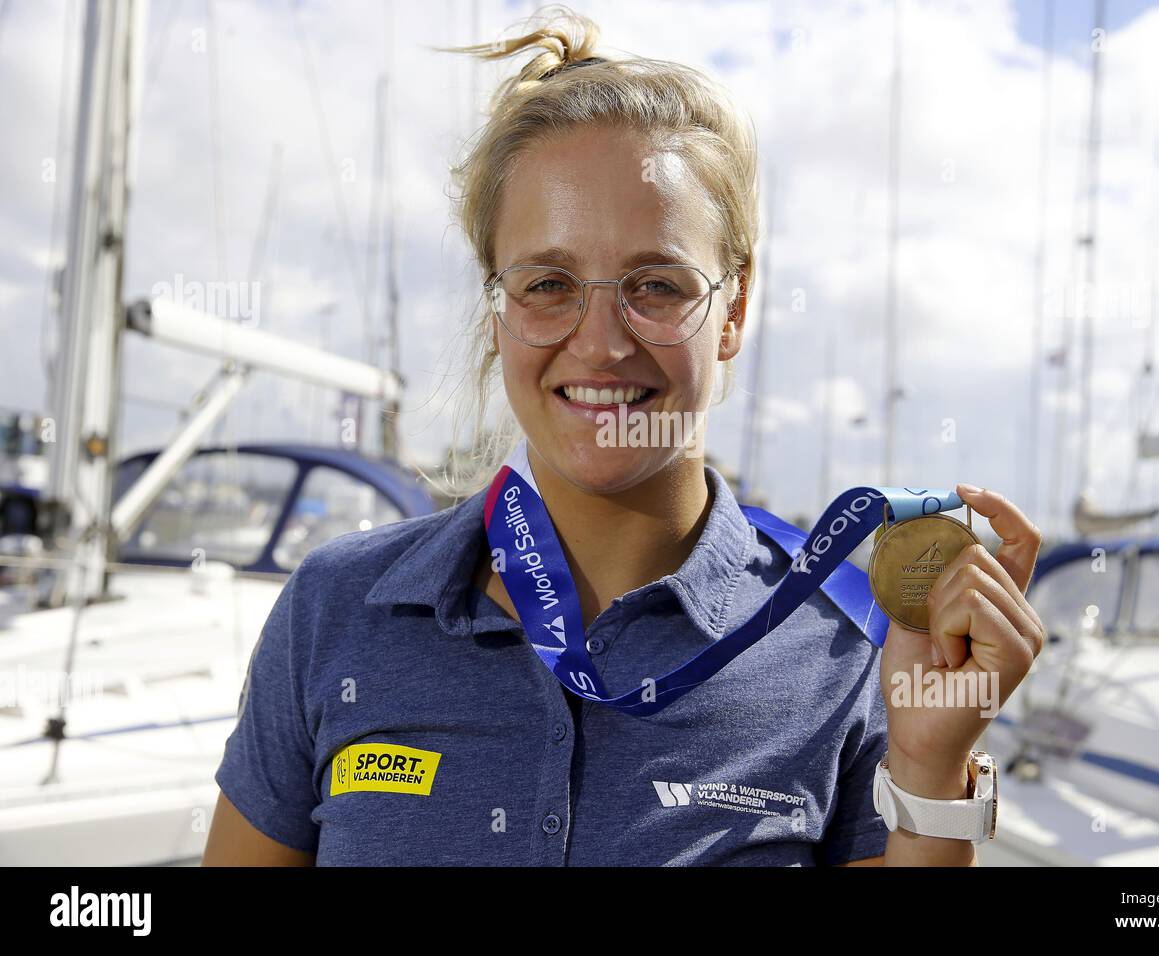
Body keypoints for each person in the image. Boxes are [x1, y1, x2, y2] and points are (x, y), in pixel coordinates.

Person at [202, 4, 1045, 867]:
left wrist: (933, 774)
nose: (601, 342)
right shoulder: (337, 609)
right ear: (497, 307)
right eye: (549, 283)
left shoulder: (845, 648)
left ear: (736, 308)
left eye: (657, 284)